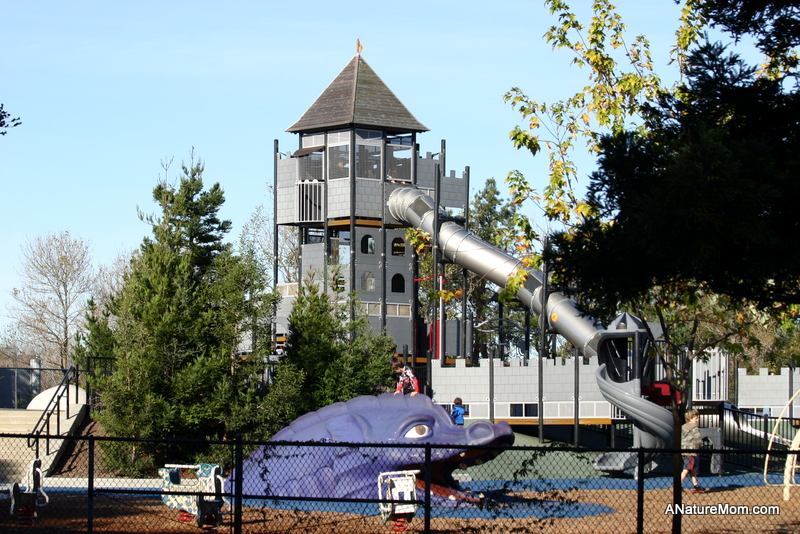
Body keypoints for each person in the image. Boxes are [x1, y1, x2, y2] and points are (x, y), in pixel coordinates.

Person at [681, 409, 706, 493]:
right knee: (687, 469)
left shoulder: (683, 427)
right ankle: (678, 484)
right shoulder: (694, 428)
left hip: (684, 450)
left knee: (694, 468)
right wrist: (699, 446)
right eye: (695, 418)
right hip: (692, 451)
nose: (697, 420)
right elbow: (697, 440)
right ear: (690, 419)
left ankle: (696, 485)